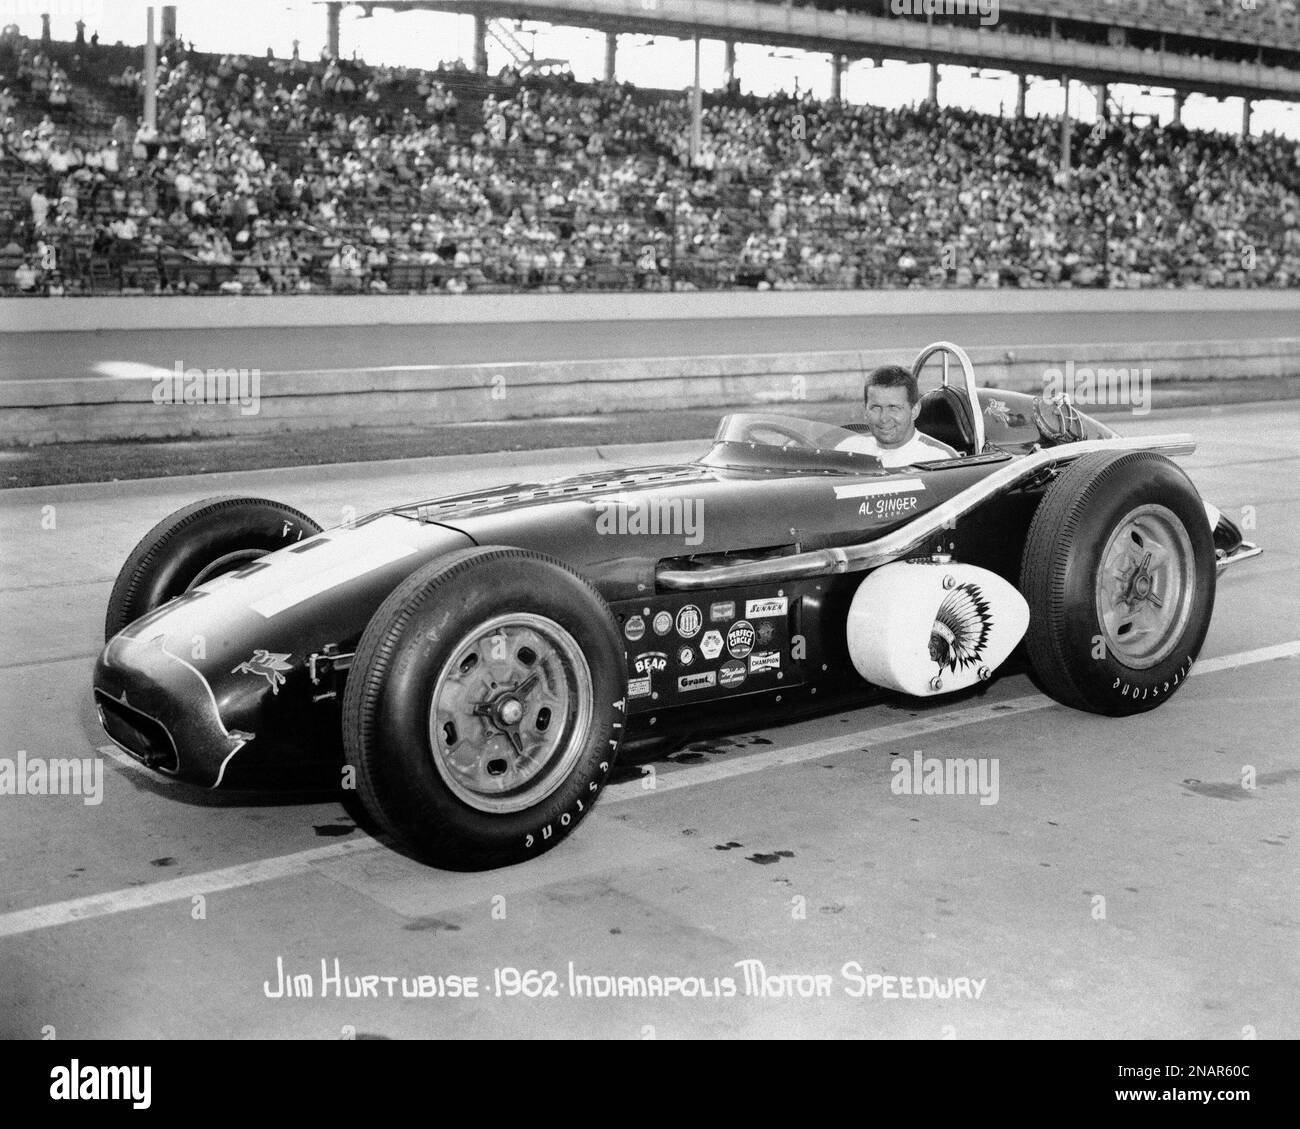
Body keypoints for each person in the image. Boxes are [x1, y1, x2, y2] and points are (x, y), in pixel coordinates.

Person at [836, 365, 959, 467]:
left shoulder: (940, 458)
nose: (884, 418)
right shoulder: (847, 451)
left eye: (893, 408)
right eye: (876, 408)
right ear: (865, 410)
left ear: (914, 410)